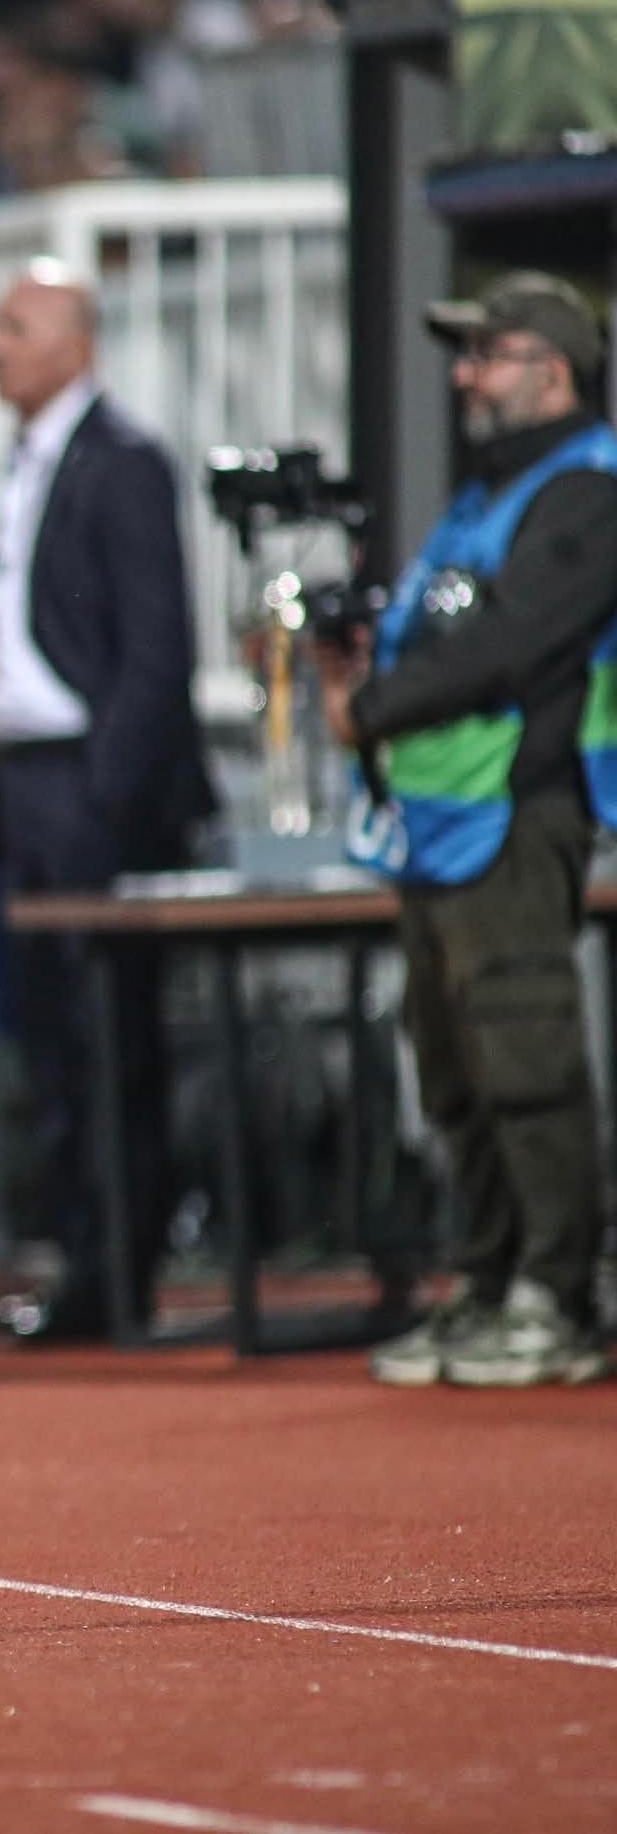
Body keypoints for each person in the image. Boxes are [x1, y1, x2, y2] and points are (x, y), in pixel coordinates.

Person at [322, 272, 617, 1390]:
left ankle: (556, 1294)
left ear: (553, 371)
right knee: (453, 1067)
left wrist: (373, 707)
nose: (464, 376)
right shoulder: (489, 494)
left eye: (487, 354)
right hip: (441, 815)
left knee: (525, 1054)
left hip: (520, 804)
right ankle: (488, 1279)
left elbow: (513, 645)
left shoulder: (584, 491)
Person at [0, 261, 213, 1346]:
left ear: (78, 344)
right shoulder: (28, 457)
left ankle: (119, 1269)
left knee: (107, 1038)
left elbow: (155, 653)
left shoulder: (121, 462)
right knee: (52, 1042)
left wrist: (110, 796)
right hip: (23, 783)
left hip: (84, 785)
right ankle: (83, 1260)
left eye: (17, 328)